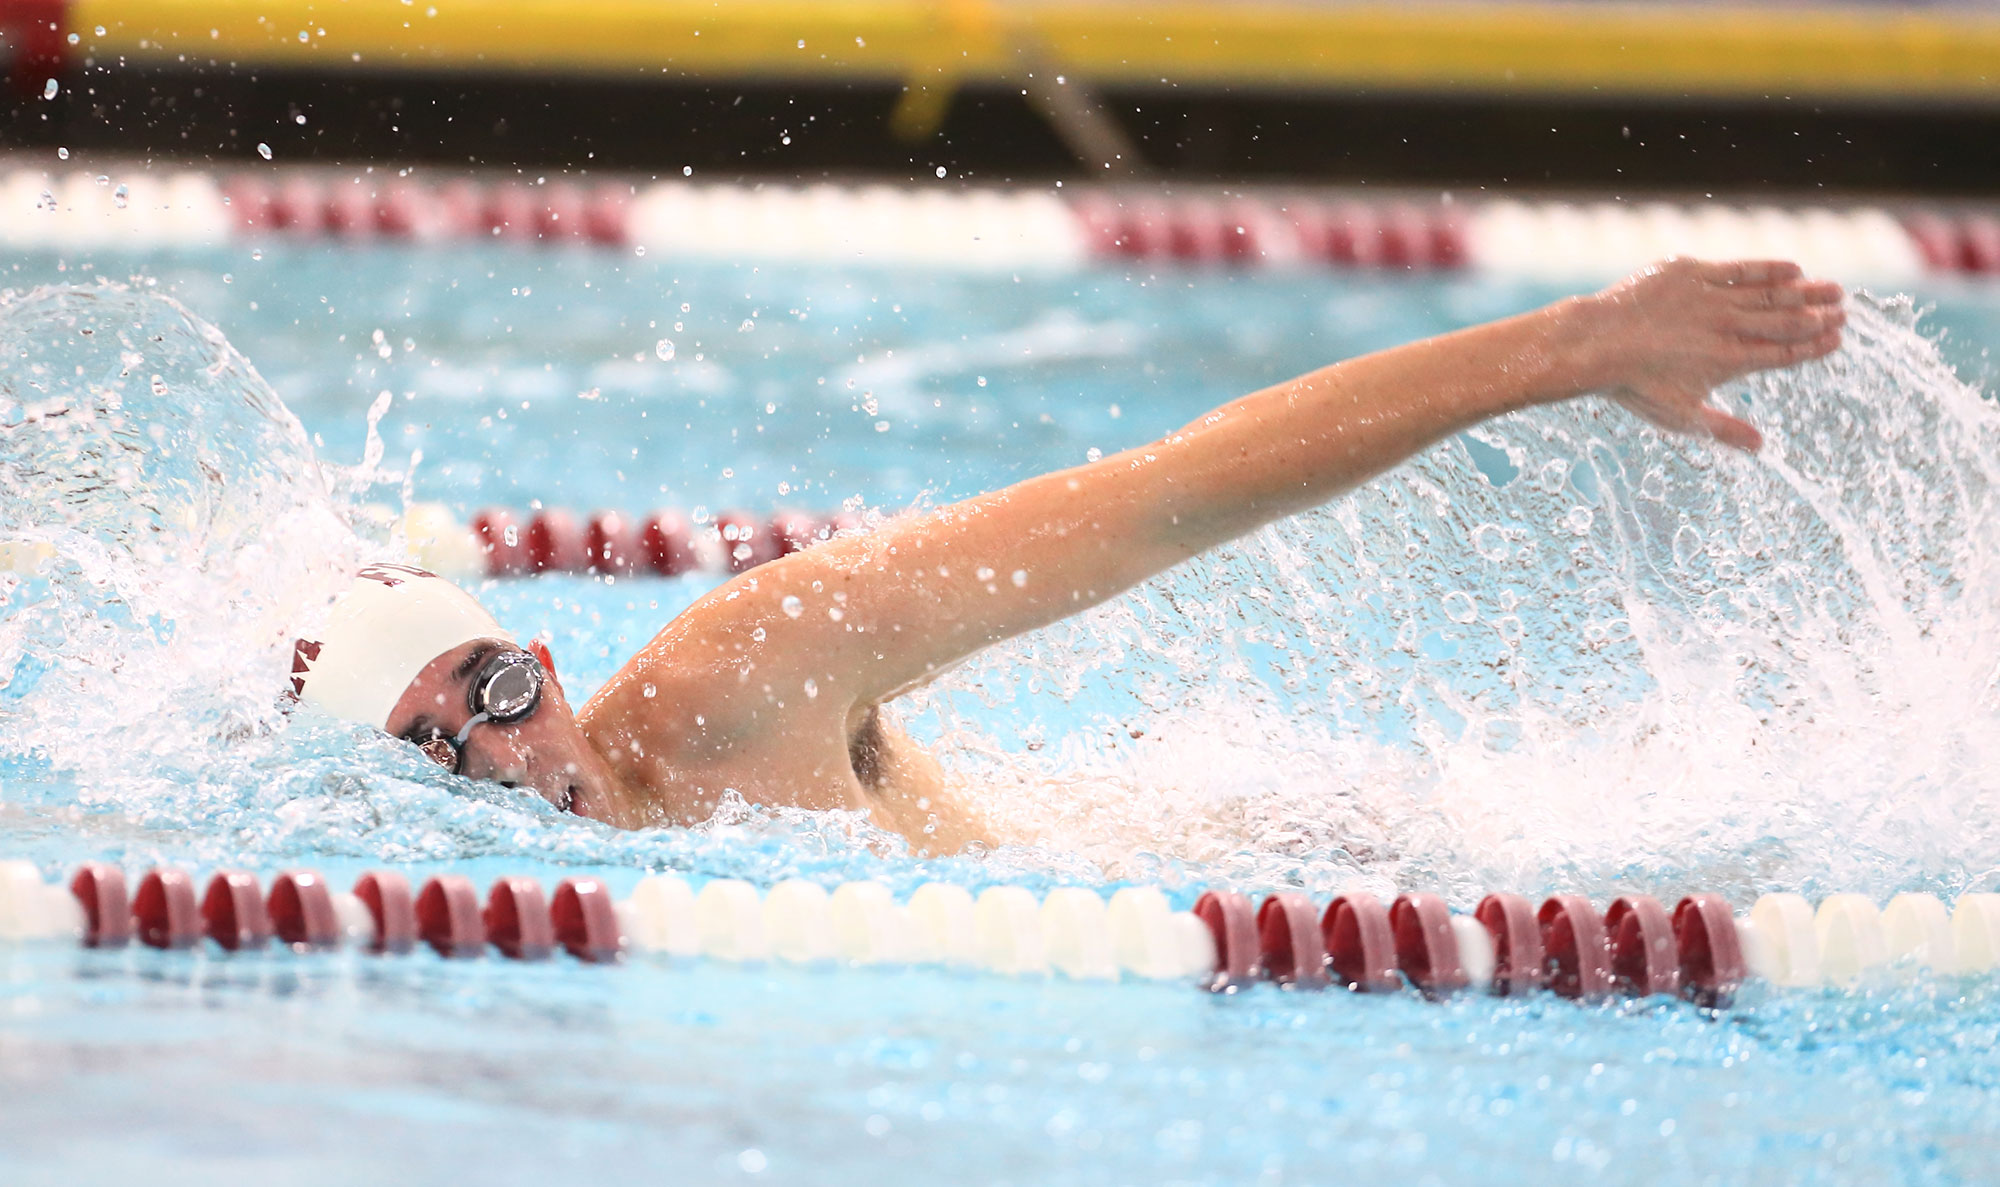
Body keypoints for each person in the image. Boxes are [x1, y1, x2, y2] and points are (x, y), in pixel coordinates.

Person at [291, 258, 1845, 854]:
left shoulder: (740, 676)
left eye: (490, 689)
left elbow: (1175, 493)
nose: (497, 761)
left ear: (545, 656)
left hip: (1326, 862)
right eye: (431, 755)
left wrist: (1568, 347)